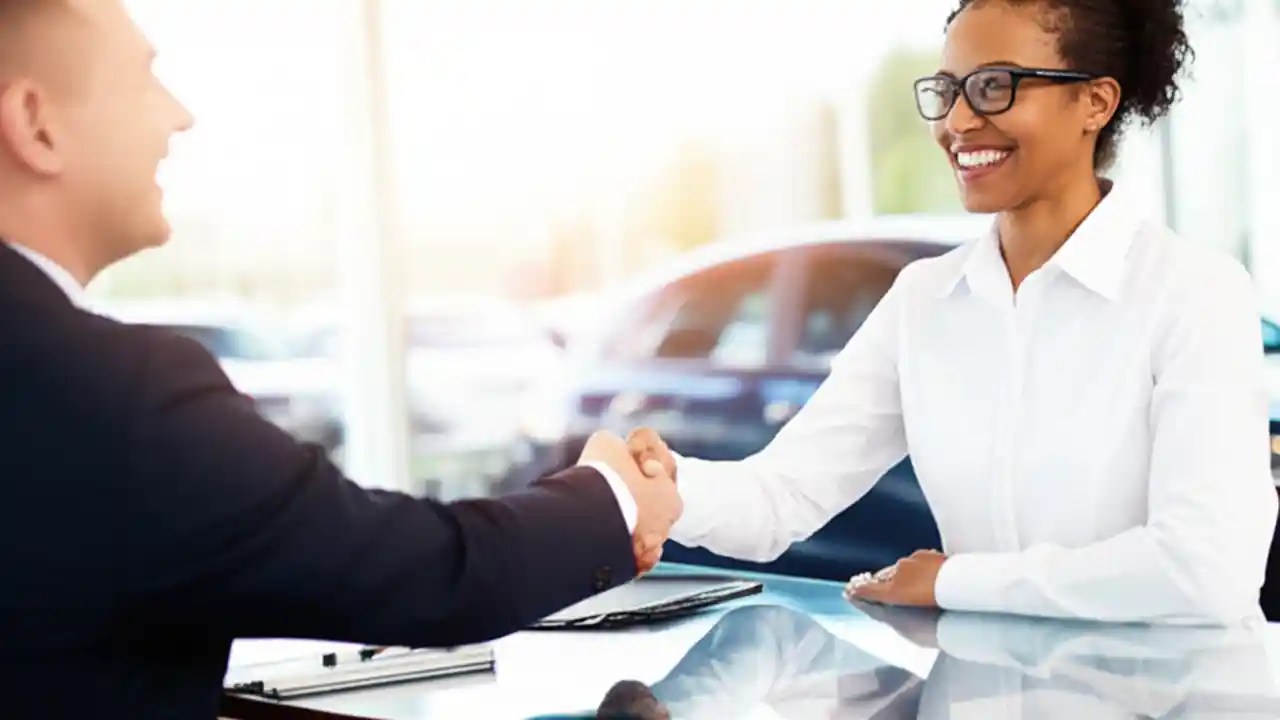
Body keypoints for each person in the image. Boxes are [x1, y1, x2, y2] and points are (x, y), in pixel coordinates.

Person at [0, 1, 679, 717]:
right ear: (38, 124)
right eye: (143, 80)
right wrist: (617, 496)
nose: (179, 116)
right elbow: (428, 575)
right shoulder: (116, 400)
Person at [628, 0, 1277, 625]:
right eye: (947, 91)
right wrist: (662, 486)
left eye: (994, 87)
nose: (957, 123)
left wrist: (950, 581)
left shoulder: (1195, 291)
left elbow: (1206, 569)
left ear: (1095, 101)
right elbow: (783, 498)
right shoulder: (924, 302)